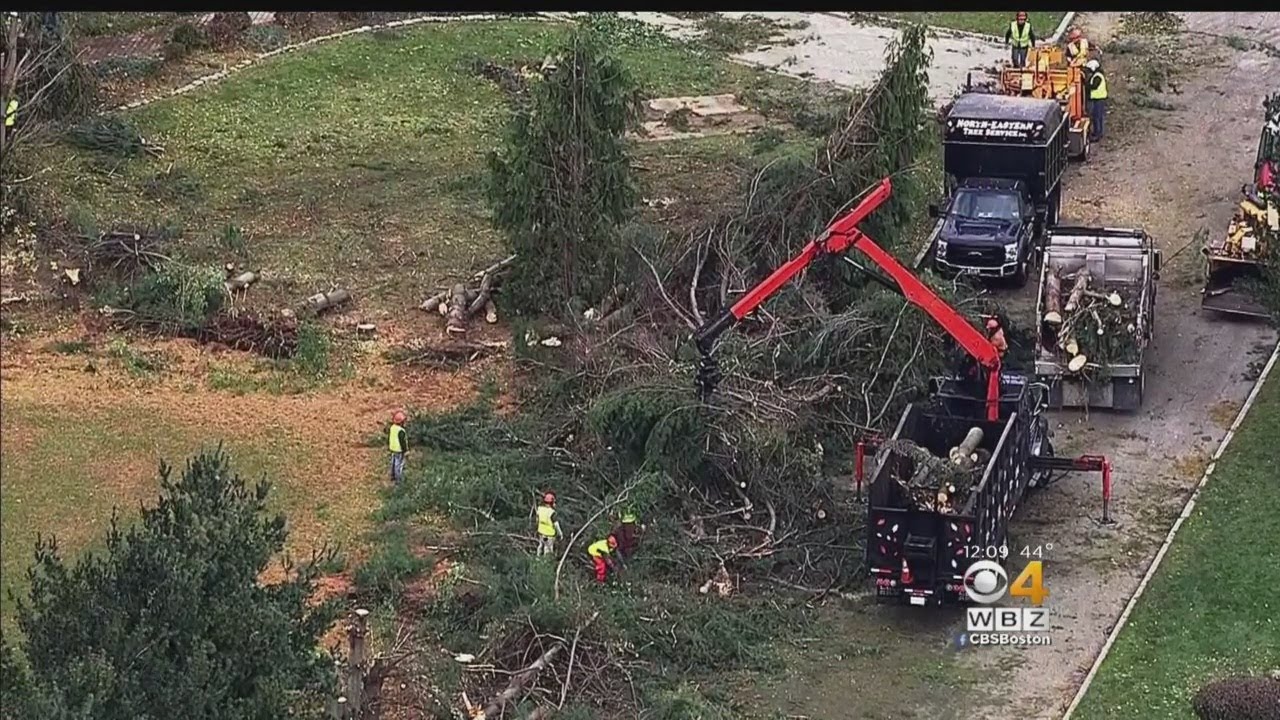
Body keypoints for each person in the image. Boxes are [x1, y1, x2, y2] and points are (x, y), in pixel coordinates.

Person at [1085, 59, 1108, 141]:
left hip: (1099, 99)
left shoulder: (1098, 76)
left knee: (1097, 117)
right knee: (1098, 117)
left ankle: (1097, 135)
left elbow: (1094, 86)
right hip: (1098, 99)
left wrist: (1085, 85)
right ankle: (1097, 133)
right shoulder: (1097, 75)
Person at [535, 492, 563, 558]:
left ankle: (537, 559)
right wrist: (560, 534)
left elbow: (537, 521)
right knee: (548, 549)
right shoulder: (552, 513)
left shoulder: (540, 509)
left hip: (541, 533)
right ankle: (546, 564)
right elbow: (556, 525)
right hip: (549, 535)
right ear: (552, 503)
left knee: (540, 546)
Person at [388, 410, 407, 485]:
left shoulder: (392, 428)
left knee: (393, 462)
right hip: (399, 450)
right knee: (398, 465)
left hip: (393, 448)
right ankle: (398, 479)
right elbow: (403, 442)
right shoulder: (401, 431)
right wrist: (405, 450)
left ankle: (392, 476)